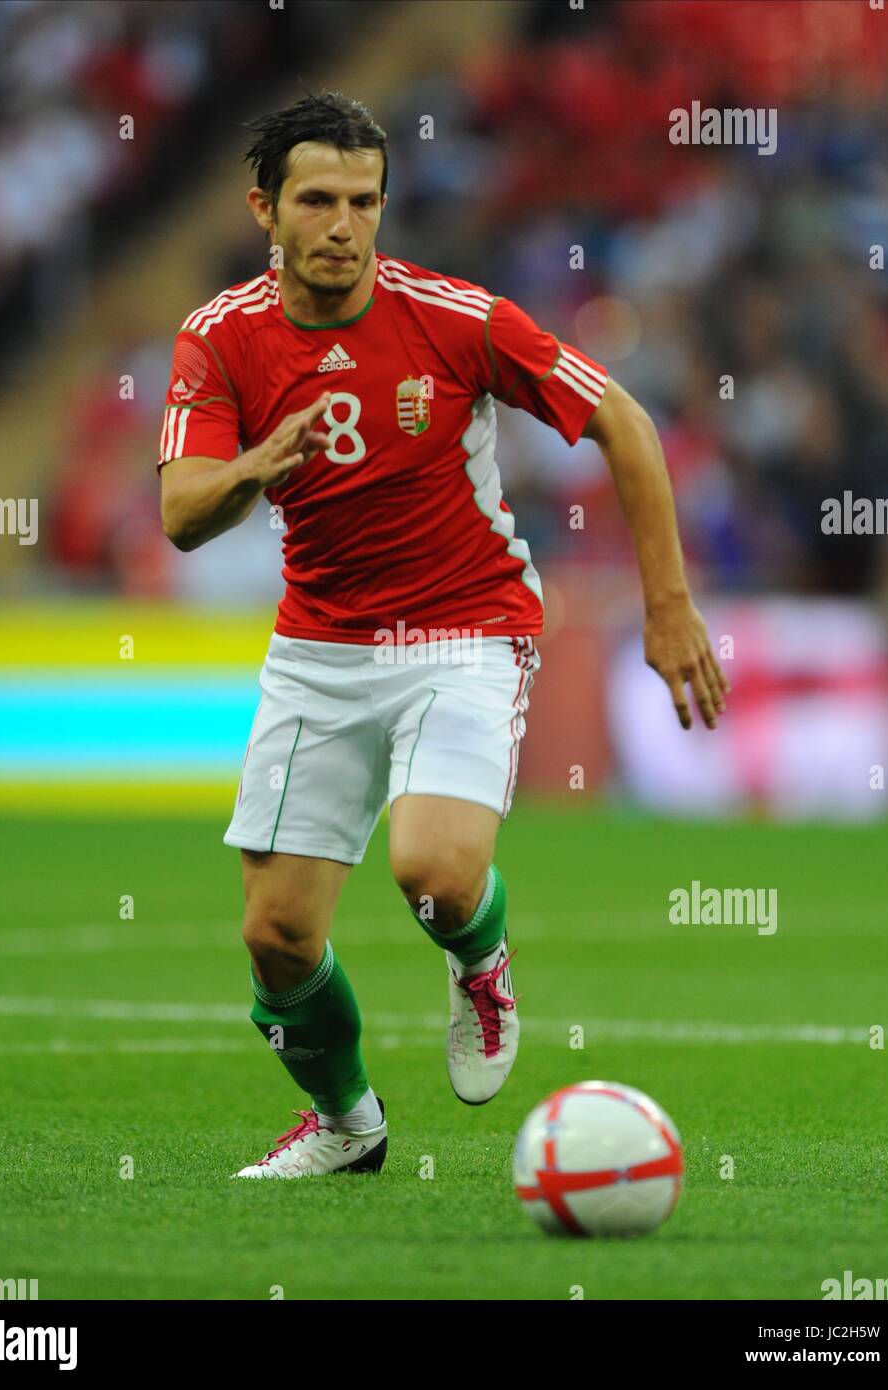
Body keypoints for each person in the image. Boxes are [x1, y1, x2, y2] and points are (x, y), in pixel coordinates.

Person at [158, 91, 729, 1180]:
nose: (343, 224)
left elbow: (621, 419)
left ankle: (480, 960)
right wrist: (249, 469)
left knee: (432, 870)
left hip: (464, 629)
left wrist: (665, 603)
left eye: (363, 200)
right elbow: (184, 513)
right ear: (261, 211)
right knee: (275, 941)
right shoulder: (217, 337)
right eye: (316, 200)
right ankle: (346, 1125)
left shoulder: (456, 319)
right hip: (318, 649)